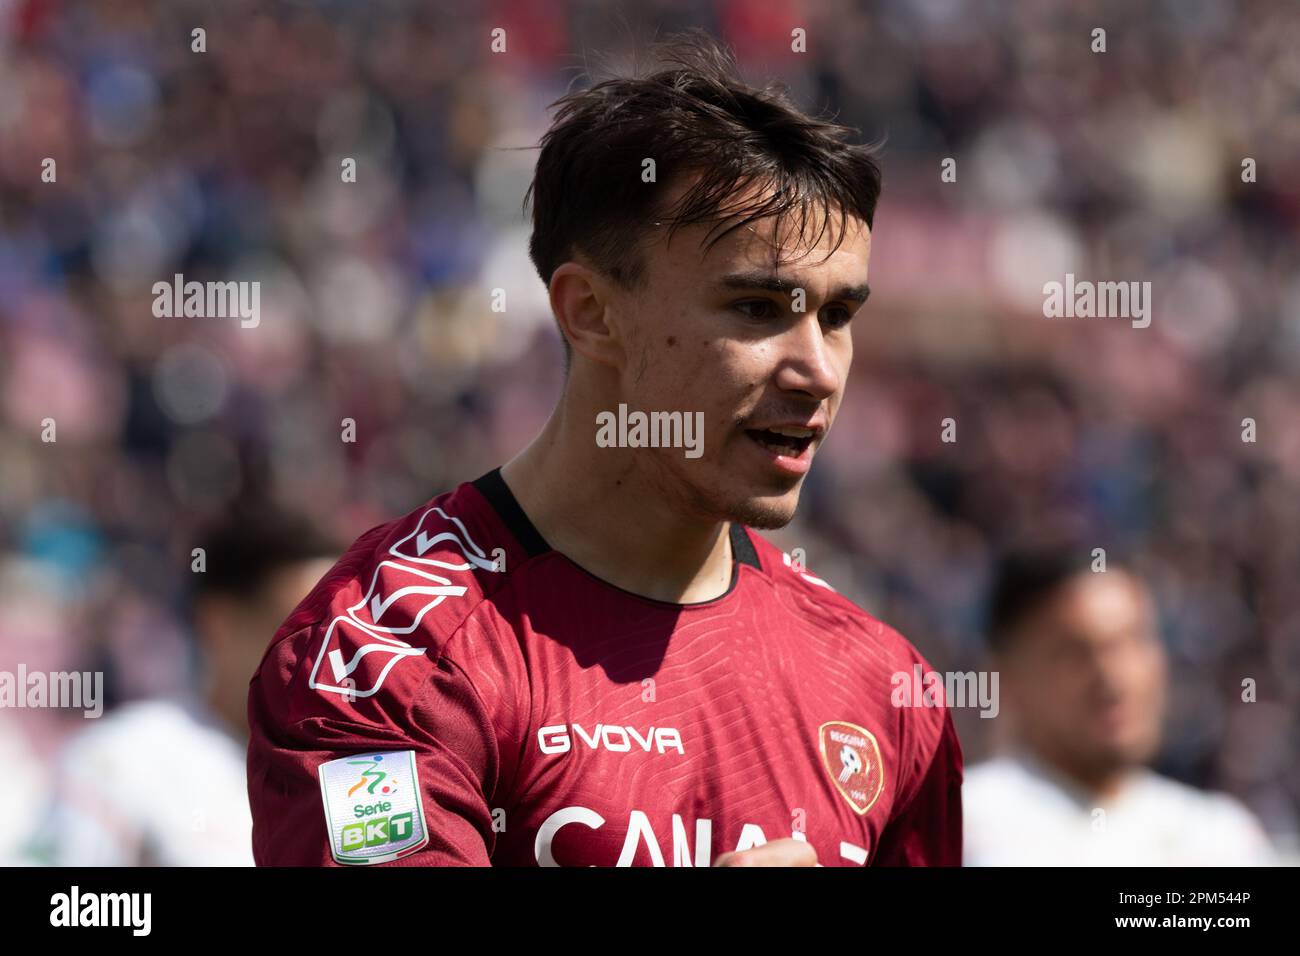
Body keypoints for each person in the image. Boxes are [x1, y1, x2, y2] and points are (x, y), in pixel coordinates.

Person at [247, 30, 963, 868]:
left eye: (837, 317)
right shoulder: (380, 653)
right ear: (590, 312)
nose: (817, 369)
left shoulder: (881, 686)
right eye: (758, 308)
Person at [23, 504, 339, 866]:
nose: (327, 655)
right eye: (303, 632)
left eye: (341, 632)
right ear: (220, 622)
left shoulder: (374, 775)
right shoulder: (118, 763)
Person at [963, 546, 1274, 866]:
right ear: (1006, 675)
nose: (1113, 678)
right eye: (1076, 653)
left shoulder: (1221, 837)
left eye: (1133, 641)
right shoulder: (957, 830)